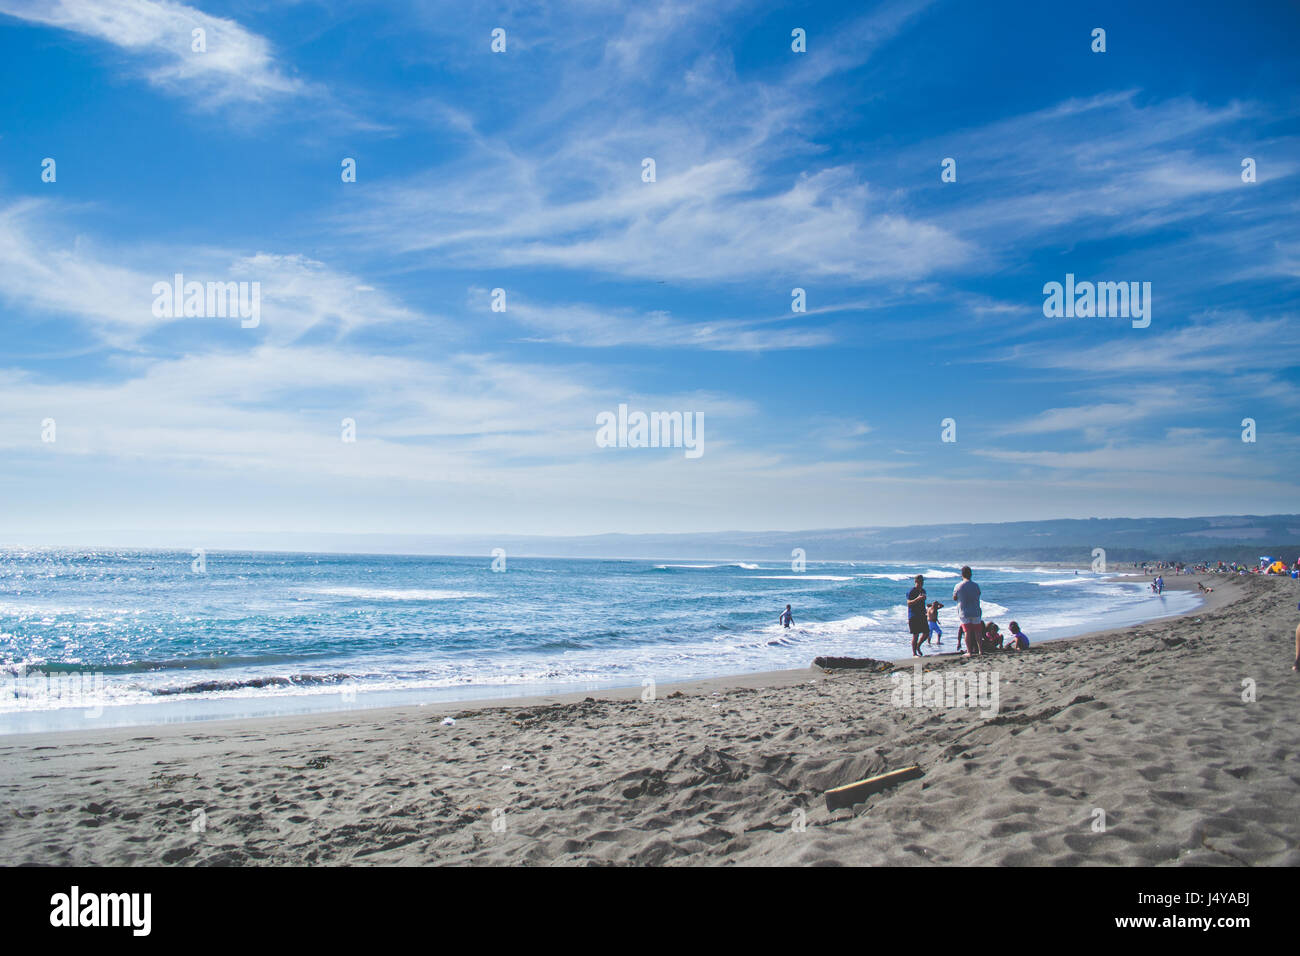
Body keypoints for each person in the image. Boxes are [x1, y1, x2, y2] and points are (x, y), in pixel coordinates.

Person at [953, 566, 985, 656]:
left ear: (962, 574)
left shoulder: (958, 586)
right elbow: (978, 594)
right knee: (977, 631)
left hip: (964, 611)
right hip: (975, 610)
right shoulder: (976, 585)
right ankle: (980, 650)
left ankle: (969, 651)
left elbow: (955, 598)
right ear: (971, 574)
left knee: (967, 631)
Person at [907, 575, 928, 657]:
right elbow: (909, 603)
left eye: (922, 582)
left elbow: (923, 601)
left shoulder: (923, 590)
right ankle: (914, 653)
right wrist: (917, 599)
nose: (921, 583)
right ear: (916, 581)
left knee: (926, 633)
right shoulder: (912, 591)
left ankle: (918, 646)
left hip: (922, 614)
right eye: (919, 582)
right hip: (914, 615)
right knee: (915, 635)